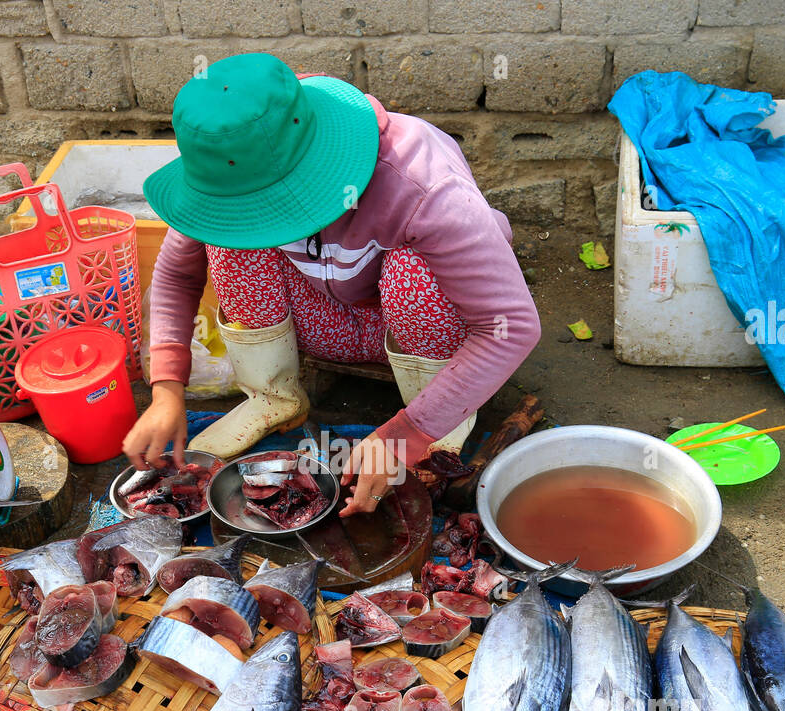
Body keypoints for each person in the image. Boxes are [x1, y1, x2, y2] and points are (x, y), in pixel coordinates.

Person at [123, 52, 540, 515]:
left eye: (272, 204)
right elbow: (178, 273)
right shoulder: (232, 166)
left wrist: (405, 437)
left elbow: (510, 327)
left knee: (412, 267)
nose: (262, 216)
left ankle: (437, 419)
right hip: (321, 321)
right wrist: (165, 390)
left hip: (420, 329)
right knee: (227, 243)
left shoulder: (421, 182)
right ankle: (274, 396)